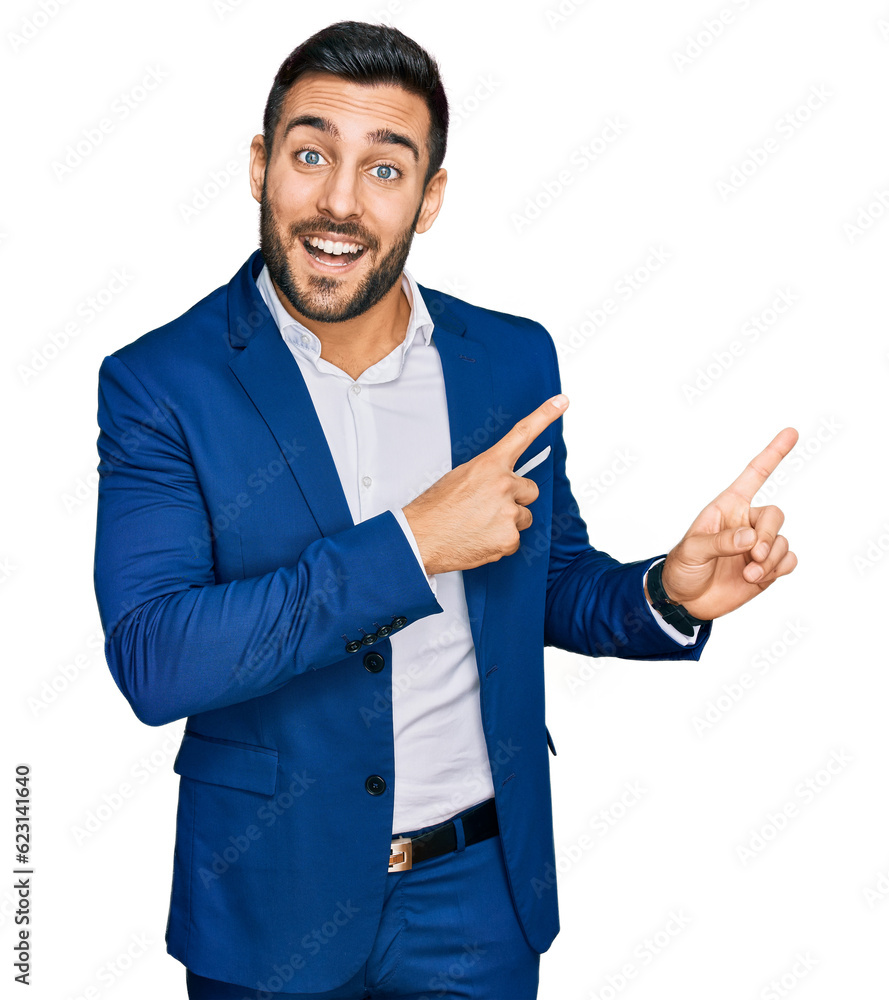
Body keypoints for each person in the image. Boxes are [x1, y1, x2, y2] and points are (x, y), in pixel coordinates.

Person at [92, 20, 797, 1000]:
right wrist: (416, 542)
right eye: (310, 154)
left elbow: (543, 579)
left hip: (476, 897)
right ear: (261, 166)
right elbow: (158, 656)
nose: (338, 200)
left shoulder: (508, 361)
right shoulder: (161, 382)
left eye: (385, 170)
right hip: (269, 902)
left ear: (430, 199)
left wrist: (663, 592)